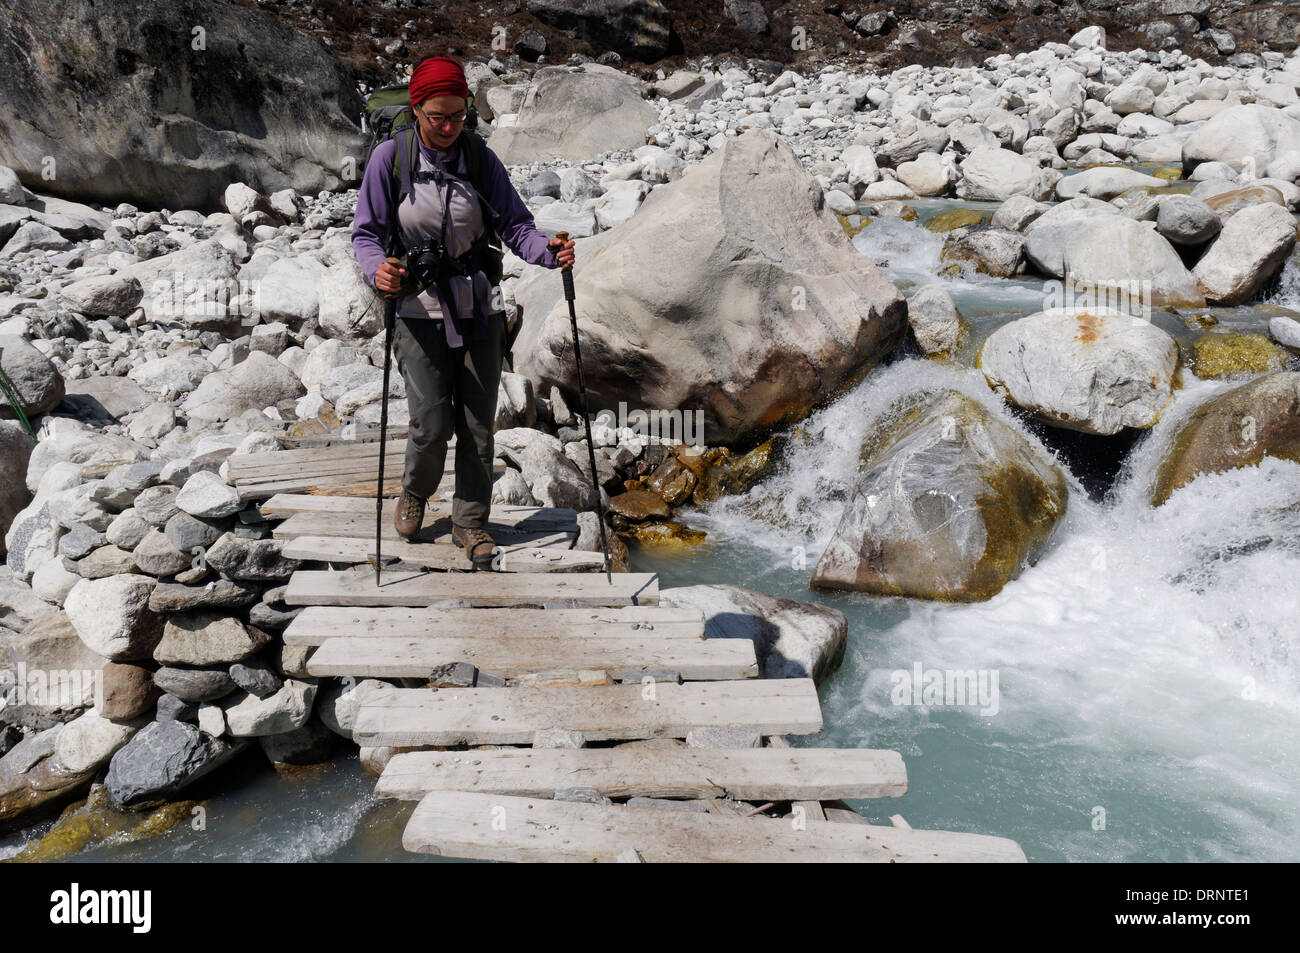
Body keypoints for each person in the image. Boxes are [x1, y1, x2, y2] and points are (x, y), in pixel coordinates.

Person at [351, 56, 575, 566]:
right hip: (416, 309)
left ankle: (470, 522)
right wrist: (376, 269)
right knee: (430, 423)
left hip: (480, 308)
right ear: (417, 109)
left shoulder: (480, 159)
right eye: (437, 117)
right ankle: (415, 490)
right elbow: (365, 233)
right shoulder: (391, 159)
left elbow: (516, 225)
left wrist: (548, 251)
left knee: (478, 425)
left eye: (458, 116)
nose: (449, 127)